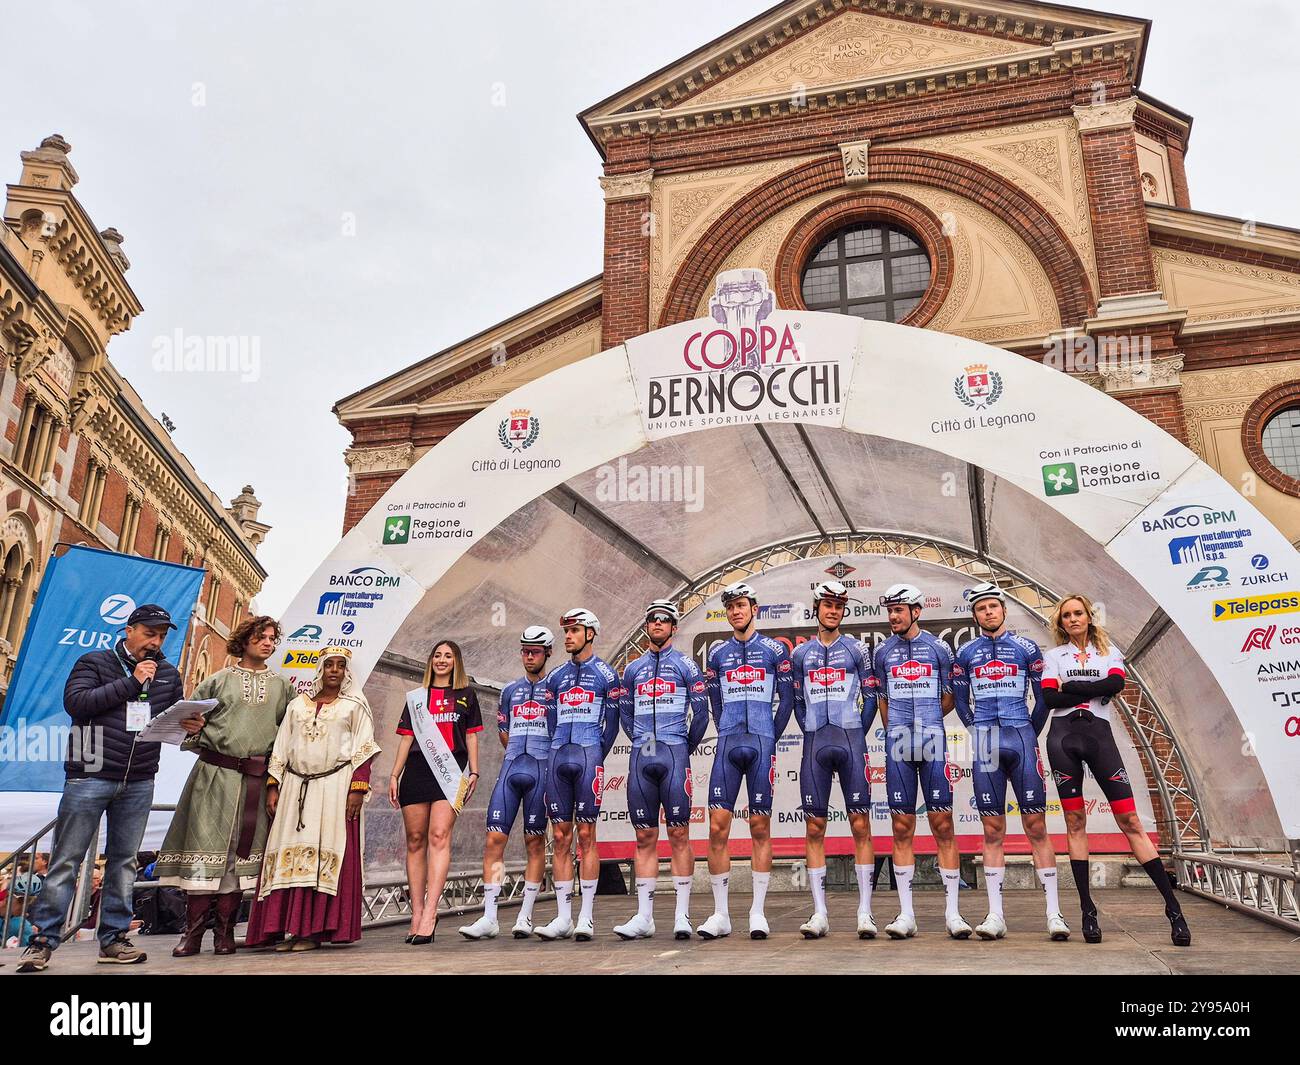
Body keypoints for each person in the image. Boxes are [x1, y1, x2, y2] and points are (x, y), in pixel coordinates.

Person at [17, 604, 187, 973]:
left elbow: (170, 719)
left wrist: (190, 722)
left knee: (124, 863)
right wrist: (133, 682)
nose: (155, 642)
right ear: (129, 631)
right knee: (66, 861)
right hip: (90, 773)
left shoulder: (169, 674)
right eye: (149, 634)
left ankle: (113, 940)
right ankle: (42, 943)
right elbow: (77, 705)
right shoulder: (94, 662)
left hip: (140, 778)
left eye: (161, 636)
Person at [1041, 594, 1191, 947]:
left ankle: (1174, 911)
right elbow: (1050, 698)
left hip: (1099, 737)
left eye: (1078, 613)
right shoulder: (1053, 656)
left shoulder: (1109, 650)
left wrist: (1074, 687)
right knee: (1075, 822)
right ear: (1060, 623)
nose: (1073, 619)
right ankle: (1087, 911)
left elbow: (1115, 685)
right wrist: (1091, 689)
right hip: (1062, 739)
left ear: (1089, 617)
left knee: (1131, 822)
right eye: (1067, 616)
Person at [155, 615, 294, 957]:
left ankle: (225, 934)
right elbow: (188, 724)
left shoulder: (283, 687)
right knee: (205, 852)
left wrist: (276, 781)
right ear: (245, 640)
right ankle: (192, 934)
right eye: (261, 637)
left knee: (238, 858)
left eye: (273, 639)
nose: (268, 643)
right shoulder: (217, 682)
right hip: (214, 777)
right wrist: (191, 726)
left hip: (256, 782)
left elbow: (288, 737)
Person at [952, 583, 1070, 942]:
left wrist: (1028, 732)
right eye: (981, 608)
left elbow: (1044, 699)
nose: (988, 612)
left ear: (1003, 610)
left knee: (1036, 826)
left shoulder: (1026, 648)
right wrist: (977, 729)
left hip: (1020, 736)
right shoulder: (966, 653)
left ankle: (1054, 913)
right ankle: (995, 915)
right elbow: (960, 702)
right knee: (992, 830)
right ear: (974, 616)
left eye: (993, 606)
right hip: (986, 739)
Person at [245, 647, 379, 951]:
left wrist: (357, 788)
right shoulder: (297, 705)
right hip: (294, 787)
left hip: (334, 786)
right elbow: (280, 747)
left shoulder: (355, 707)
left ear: (347, 672)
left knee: (325, 852)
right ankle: (284, 928)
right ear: (320, 669)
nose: (334, 670)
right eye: (328, 664)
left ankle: (312, 932)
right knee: (286, 852)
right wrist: (273, 785)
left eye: (340, 666)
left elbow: (365, 750)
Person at [871, 584, 970, 940]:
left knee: (943, 824)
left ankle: (953, 914)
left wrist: (925, 720)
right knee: (901, 826)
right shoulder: (881, 652)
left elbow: (949, 698)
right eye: (890, 610)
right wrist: (897, 727)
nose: (894, 616)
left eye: (900, 610)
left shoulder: (939, 648)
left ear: (917, 611)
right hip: (898, 741)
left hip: (932, 739)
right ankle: (906, 914)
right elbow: (881, 700)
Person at [697, 583, 794, 941]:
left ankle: (757, 911)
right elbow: (715, 702)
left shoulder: (773, 650)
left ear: (754, 608)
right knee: (717, 827)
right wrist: (725, 729)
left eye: (741, 605)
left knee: (759, 827)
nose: (736, 612)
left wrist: (771, 735)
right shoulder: (718, 654)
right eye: (730, 607)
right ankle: (720, 913)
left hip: (761, 743)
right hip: (728, 744)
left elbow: (786, 702)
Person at [612, 601, 709, 941]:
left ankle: (682, 914)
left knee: (680, 834)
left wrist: (683, 747)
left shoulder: (686, 666)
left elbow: (702, 716)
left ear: (673, 627)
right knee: (644, 836)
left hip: (674, 751)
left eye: (663, 620)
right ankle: (644, 916)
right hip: (643, 753)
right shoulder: (633, 669)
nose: (657, 624)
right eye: (652, 619)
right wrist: (641, 741)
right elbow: (624, 715)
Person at [792, 581, 877, 940]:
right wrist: (810, 729)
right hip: (815, 744)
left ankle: (865, 912)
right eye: (827, 605)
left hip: (850, 740)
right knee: (814, 828)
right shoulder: (800, 655)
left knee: (860, 825)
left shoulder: (857, 649)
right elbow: (796, 701)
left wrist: (858, 732)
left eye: (839, 606)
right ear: (817, 608)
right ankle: (819, 912)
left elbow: (871, 696)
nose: (833, 611)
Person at [458, 627, 556, 941]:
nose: (529, 656)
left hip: (540, 770)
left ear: (548, 653)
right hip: (512, 767)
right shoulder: (509, 690)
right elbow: (503, 731)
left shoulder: (555, 688)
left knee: (534, 843)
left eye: (536, 651)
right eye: (525, 651)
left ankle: (526, 914)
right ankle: (489, 915)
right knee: (493, 842)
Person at [535, 608, 621, 942]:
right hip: (559, 756)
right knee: (559, 836)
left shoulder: (606, 674)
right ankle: (562, 917)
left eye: (574, 630)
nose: (568, 636)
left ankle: (586, 916)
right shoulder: (555, 677)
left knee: (587, 835)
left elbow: (611, 727)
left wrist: (595, 752)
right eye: (566, 631)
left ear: (590, 633)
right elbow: (551, 722)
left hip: (588, 755)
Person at [388, 640, 482, 944]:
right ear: (431, 661)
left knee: (439, 837)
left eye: (448, 656)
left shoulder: (467, 695)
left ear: (456, 663)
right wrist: (393, 774)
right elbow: (405, 739)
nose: (442, 660)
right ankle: (415, 912)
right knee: (415, 841)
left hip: (450, 771)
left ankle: (431, 911)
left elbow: (472, 737)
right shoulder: (416, 698)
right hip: (416, 771)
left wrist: (474, 771)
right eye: (437, 655)